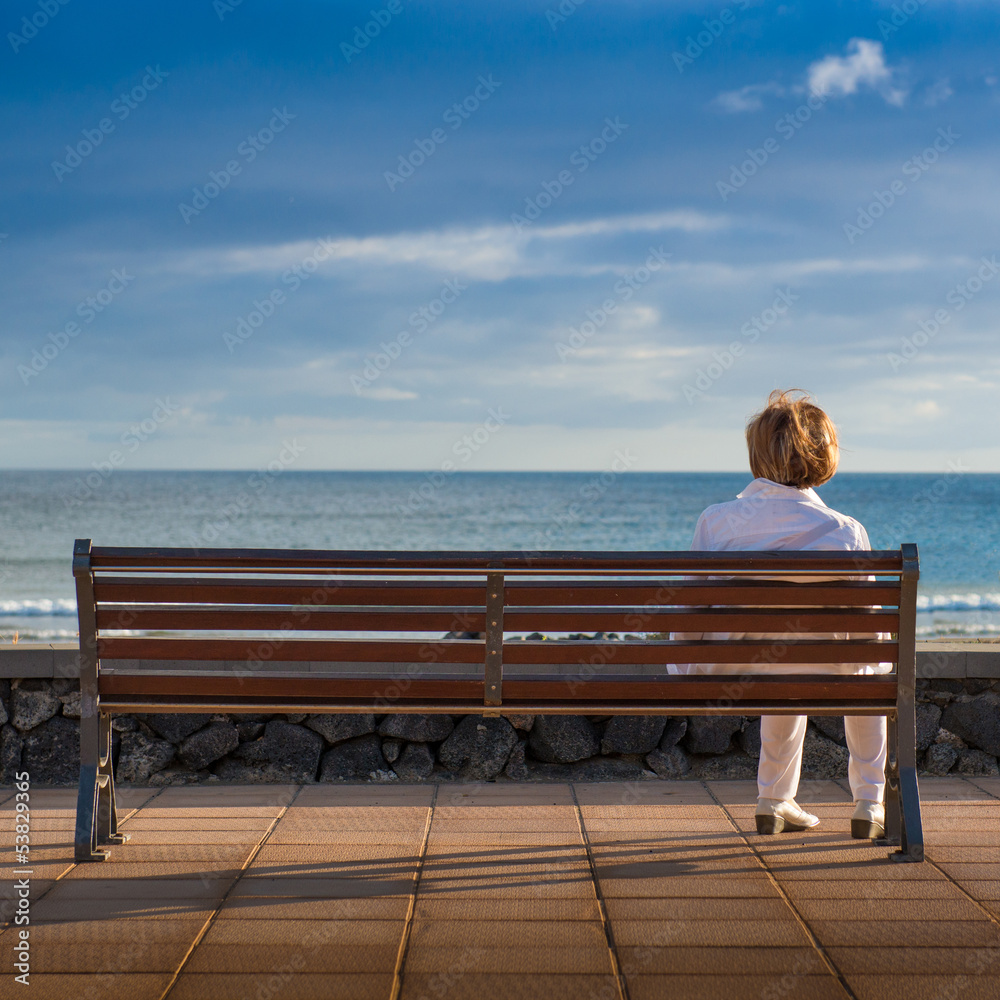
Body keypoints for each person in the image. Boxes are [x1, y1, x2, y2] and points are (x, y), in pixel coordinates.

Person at [674, 389, 887, 839]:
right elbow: (867, 628)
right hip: (826, 669)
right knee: (867, 669)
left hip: (727, 671)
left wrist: (685, 666)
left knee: (782, 660)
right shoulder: (846, 532)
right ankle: (869, 802)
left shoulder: (717, 521)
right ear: (823, 456)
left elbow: (689, 613)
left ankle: (774, 799)